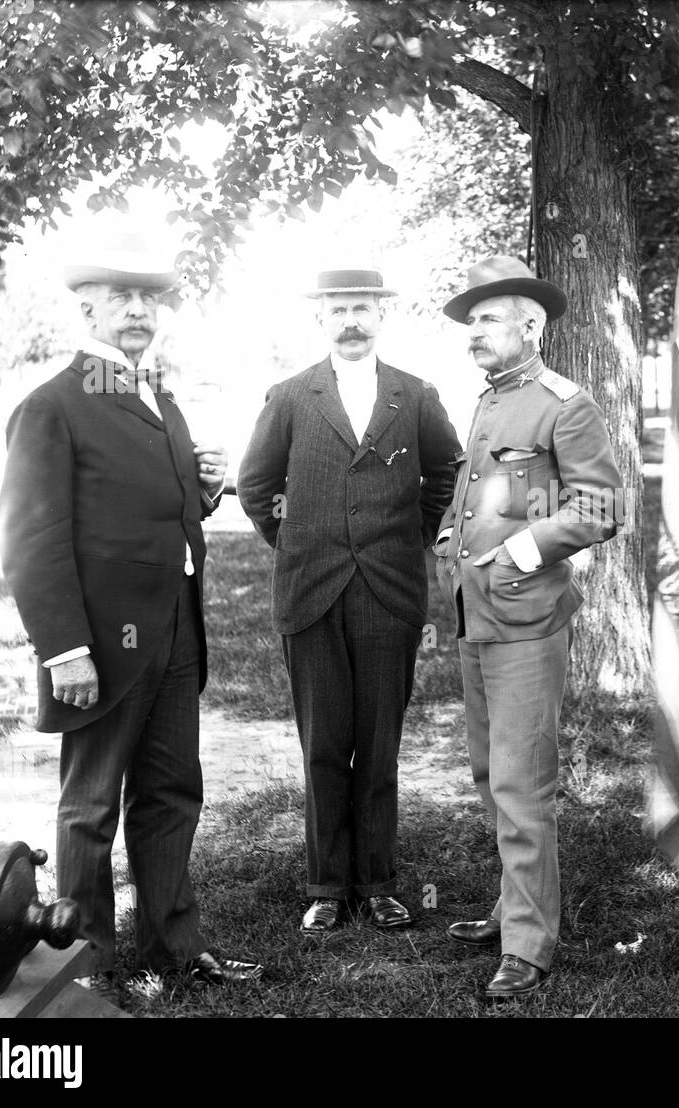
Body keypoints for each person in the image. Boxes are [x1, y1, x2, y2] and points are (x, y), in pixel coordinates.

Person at [0, 230, 261, 1001]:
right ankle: (82, 964)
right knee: (89, 807)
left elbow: (154, 509)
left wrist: (204, 486)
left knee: (173, 791)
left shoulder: (158, 394)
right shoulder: (52, 405)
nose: (139, 311)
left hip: (175, 628)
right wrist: (63, 650)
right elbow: (30, 538)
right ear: (86, 307)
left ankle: (173, 946)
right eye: (121, 298)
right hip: (101, 642)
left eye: (150, 298)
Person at [238, 268, 461, 934]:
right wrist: (301, 540)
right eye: (339, 310)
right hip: (311, 592)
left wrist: (409, 538)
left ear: (382, 315)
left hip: (388, 593)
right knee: (325, 744)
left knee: (379, 742)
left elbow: (446, 472)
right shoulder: (290, 396)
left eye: (362, 308)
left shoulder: (414, 395)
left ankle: (380, 881)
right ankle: (328, 884)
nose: (351, 321)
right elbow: (256, 485)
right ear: (322, 319)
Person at [436, 256, 622, 999]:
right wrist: (453, 540)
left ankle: (529, 946)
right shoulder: (490, 400)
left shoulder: (563, 404)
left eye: (487, 319)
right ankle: (516, 907)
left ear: (531, 325)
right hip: (476, 616)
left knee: (521, 784)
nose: (474, 333)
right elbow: (482, 492)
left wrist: (520, 547)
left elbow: (600, 507)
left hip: (526, 618)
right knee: (490, 775)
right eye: (471, 322)